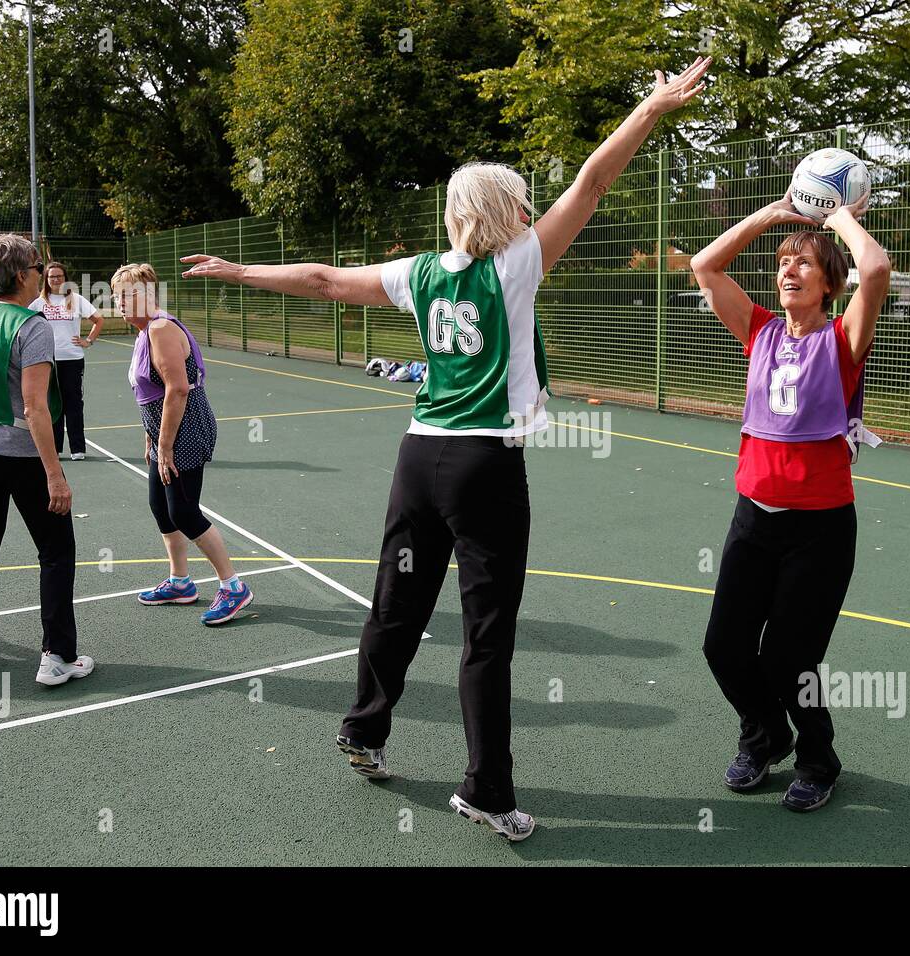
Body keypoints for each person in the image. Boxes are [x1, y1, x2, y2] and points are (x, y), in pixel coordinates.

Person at [180, 57, 712, 841]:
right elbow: (594, 183)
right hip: (483, 467)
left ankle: (364, 728)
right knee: (486, 634)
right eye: (524, 201)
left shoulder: (421, 273)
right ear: (507, 211)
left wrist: (237, 269)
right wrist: (651, 108)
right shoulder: (519, 262)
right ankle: (488, 792)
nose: (535, 208)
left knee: (397, 605)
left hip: (417, 459)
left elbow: (325, 280)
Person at [689, 185, 889, 813]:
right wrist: (772, 215)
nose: (789, 270)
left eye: (803, 262)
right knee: (723, 646)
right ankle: (765, 734)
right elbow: (704, 265)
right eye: (782, 262)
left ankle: (818, 758)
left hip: (820, 530)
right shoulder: (760, 332)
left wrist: (836, 221)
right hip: (754, 521)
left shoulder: (842, 344)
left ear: (829, 283)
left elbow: (876, 268)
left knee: (788, 658)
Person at [0, 233, 95, 686]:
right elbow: (34, 407)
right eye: (36, 265)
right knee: (55, 549)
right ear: (23, 275)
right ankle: (58, 656)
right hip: (19, 454)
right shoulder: (31, 328)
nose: (40, 272)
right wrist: (55, 476)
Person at [111, 263, 253, 626]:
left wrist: (166, 445)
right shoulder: (146, 330)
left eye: (127, 296)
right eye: (117, 297)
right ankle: (180, 582)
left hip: (184, 431)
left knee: (184, 512)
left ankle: (233, 586)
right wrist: (150, 437)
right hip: (166, 431)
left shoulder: (160, 330)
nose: (120, 303)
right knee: (161, 507)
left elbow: (176, 391)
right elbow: (151, 392)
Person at [29, 261, 103, 460]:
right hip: (47, 360)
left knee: (73, 404)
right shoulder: (38, 302)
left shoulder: (76, 299)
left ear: (65, 279)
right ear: (46, 279)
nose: (55, 280)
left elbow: (98, 320)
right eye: (52, 276)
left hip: (72, 359)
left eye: (59, 276)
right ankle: (55, 448)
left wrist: (88, 341)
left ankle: (77, 449)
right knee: (53, 404)